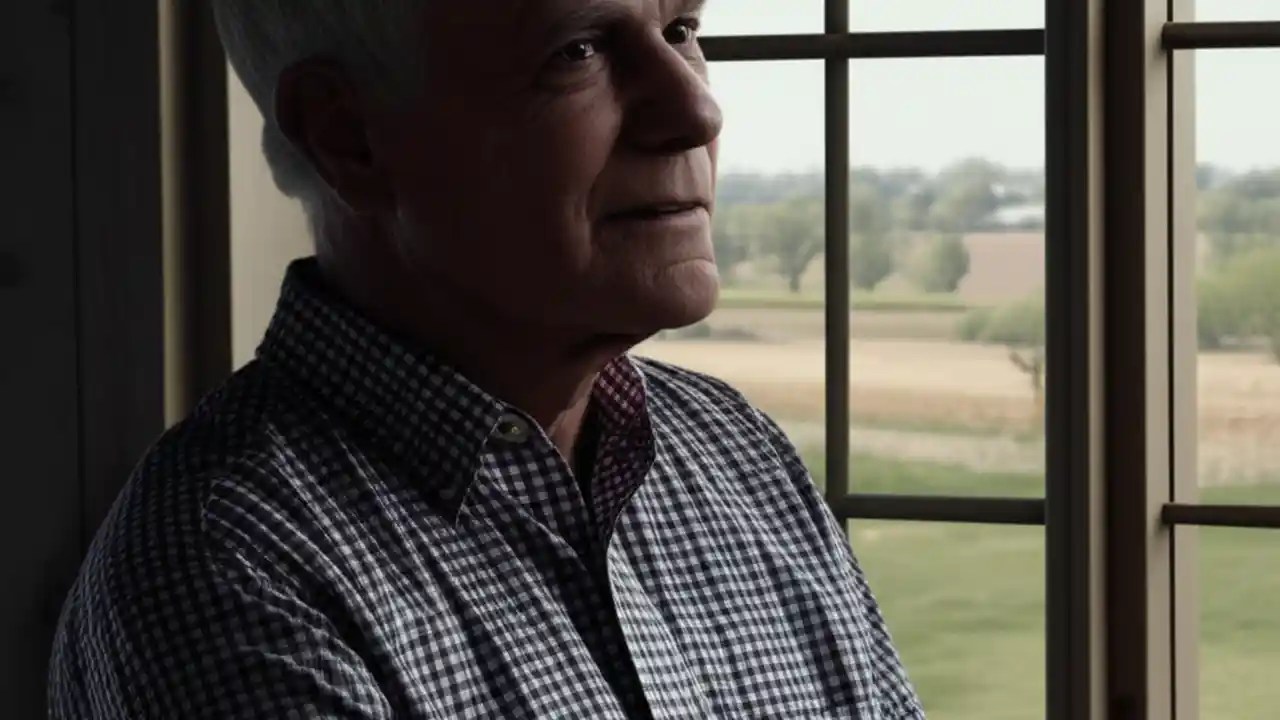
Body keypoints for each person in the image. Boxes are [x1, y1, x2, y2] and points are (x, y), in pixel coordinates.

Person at [48, 1, 923, 717]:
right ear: (350, 136)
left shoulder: (738, 454)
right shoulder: (229, 575)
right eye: (578, 49)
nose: (696, 110)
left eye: (681, 32)